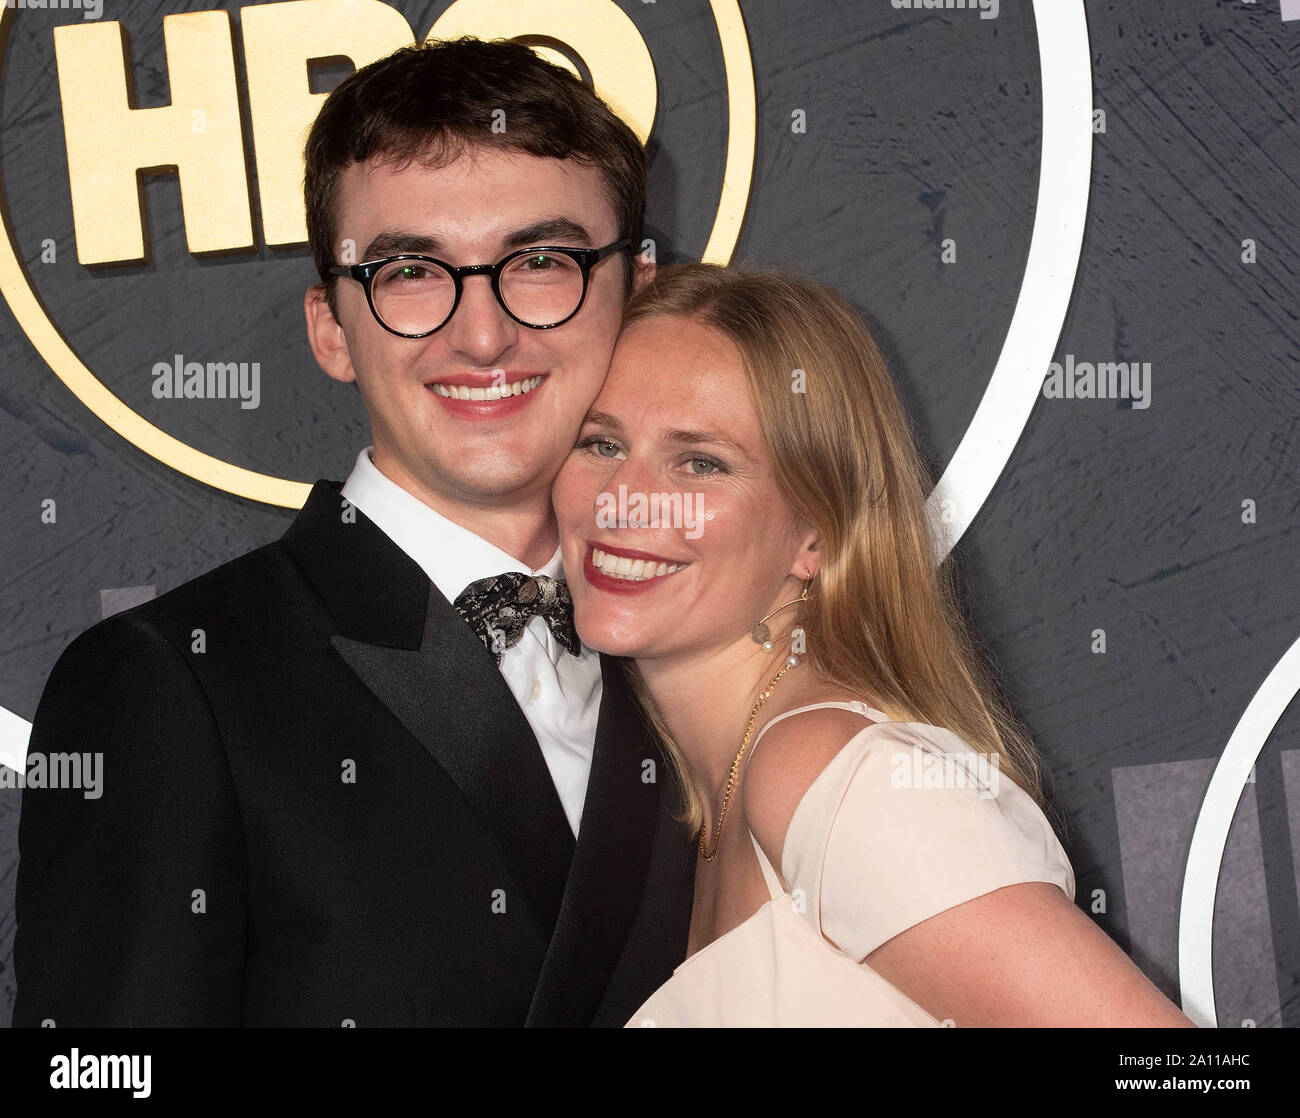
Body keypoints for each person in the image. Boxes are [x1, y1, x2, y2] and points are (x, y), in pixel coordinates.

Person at [12, 38, 695, 1027]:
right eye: (413, 271)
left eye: (540, 260)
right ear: (332, 327)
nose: (483, 334)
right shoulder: (172, 684)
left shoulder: (714, 641)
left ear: (635, 287)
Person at [553, 262, 1197, 1027]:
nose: (622, 499)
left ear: (817, 534)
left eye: (700, 463)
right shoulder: (711, 797)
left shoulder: (827, 770)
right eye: (599, 443)